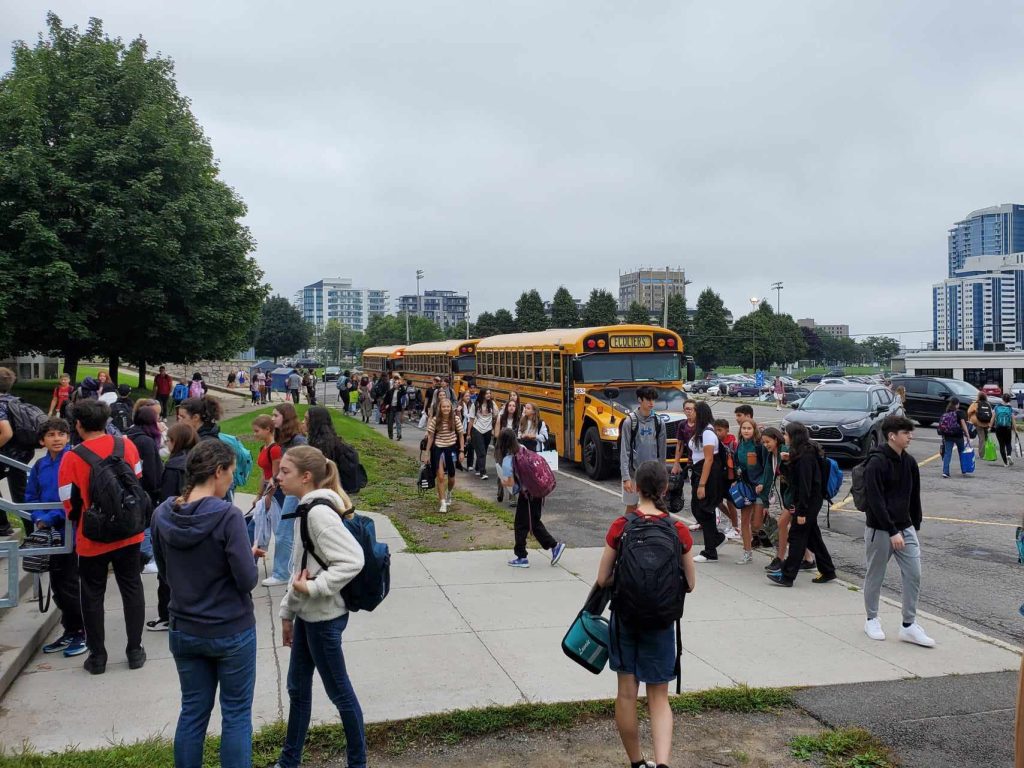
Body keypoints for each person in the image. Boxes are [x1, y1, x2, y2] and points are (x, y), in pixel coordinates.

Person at [152, 439, 260, 768]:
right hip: (231, 629)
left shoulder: (161, 514)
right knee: (237, 716)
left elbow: (165, 571)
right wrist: (248, 558)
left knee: (193, 712)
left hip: (185, 627)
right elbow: (247, 580)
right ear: (218, 471)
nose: (233, 478)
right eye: (231, 471)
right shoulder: (228, 515)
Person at [596, 460, 696, 768]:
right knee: (659, 696)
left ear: (636, 488)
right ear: (665, 488)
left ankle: (637, 763)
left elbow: (602, 579)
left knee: (627, 694)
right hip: (661, 622)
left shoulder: (621, 526)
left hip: (626, 618)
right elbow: (690, 584)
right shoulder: (677, 529)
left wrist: (626, 579)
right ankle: (662, 763)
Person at [274, 446, 367, 768]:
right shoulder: (307, 507)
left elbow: (353, 560)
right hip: (309, 615)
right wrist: (289, 612)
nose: (278, 477)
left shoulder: (317, 513)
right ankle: (289, 761)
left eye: (285, 471)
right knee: (298, 688)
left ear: (306, 476)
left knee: (340, 693)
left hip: (324, 618)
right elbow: (302, 567)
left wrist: (315, 588)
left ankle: (358, 763)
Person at [58, 399, 147, 674]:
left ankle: (97, 657)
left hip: (93, 537)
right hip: (129, 533)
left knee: (92, 593)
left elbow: (68, 504)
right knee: (131, 586)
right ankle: (134, 650)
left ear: (78, 425)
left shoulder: (73, 457)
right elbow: (137, 481)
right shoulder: (127, 446)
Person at [860, 414, 934, 647]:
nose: (910, 436)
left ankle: (908, 625)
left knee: (914, 574)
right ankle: (871, 619)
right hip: (880, 529)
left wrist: (915, 524)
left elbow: (914, 495)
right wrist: (892, 531)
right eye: (905, 433)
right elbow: (875, 500)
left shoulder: (909, 462)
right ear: (892, 436)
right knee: (876, 575)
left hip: (905, 527)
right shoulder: (876, 462)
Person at [28, 418, 86, 657]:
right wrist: (38, 518)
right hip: (49, 535)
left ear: (68, 437)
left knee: (70, 585)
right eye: (51, 435)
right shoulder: (40, 466)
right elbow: (31, 496)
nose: (57, 439)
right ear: (42, 440)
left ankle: (82, 632)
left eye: (61, 434)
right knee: (58, 587)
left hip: (70, 532)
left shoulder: (73, 460)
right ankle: (70, 629)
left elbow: (75, 498)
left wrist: (50, 517)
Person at [766, 422, 836, 587]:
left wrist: (802, 512)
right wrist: (788, 462)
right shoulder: (801, 453)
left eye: (786, 434)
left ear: (794, 436)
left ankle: (787, 575)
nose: (784, 437)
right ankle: (828, 570)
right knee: (813, 536)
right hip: (809, 500)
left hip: (808, 502)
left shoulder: (805, 456)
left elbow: (805, 486)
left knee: (797, 536)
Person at [147, 422, 199, 632]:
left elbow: (167, 500)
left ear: (176, 442)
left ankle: (168, 615)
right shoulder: (197, 461)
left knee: (167, 573)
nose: (166, 443)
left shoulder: (173, 466)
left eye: (168, 440)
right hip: (195, 521)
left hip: (176, 524)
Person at [496, 428, 565, 568]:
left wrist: (502, 479)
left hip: (526, 496)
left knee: (521, 525)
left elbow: (510, 483)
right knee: (533, 523)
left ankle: (522, 556)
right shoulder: (522, 448)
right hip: (536, 491)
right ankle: (553, 546)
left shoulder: (508, 460)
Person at [263, 402, 308, 587]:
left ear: (285, 418)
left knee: (284, 530)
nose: (272, 419)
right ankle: (286, 570)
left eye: (275, 416)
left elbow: (304, 465)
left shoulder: (298, 441)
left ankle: (282, 572)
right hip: (288, 489)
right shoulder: (283, 439)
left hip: (296, 492)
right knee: (287, 530)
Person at [760, 426, 816, 573]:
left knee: (782, 524)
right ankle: (809, 559)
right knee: (801, 531)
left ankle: (780, 558)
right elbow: (767, 477)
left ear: (776, 439)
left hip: (795, 497)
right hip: (789, 496)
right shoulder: (770, 455)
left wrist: (786, 462)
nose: (766, 445)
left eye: (768, 442)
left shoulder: (787, 452)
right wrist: (765, 499)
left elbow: (796, 479)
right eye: (764, 442)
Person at [126, 404, 164, 574]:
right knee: (147, 525)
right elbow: (151, 470)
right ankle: (146, 556)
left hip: (132, 489)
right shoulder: (146, 441)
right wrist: (157, 489)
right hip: (146, 491)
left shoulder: (129, 437)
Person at [619, 386, 667, 514]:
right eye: (648, 399)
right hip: (634, 473)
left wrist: (664, 478)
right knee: (632, 507)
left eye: (653, 400)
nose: (651, 403)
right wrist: (626, 478)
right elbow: (625, 451)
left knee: (653, 508)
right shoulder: (630, 422)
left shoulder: (659, 422)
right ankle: (626, 532)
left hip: (653, 474)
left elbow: (662, 453)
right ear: (640, 400)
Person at [689, 402, 725, 563]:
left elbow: (709, 460)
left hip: (707, 475)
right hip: (698, 472)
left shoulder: (708, 433)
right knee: (698, 509)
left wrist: (702, 485)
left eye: (694, 411)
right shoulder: (700, 431)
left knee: (704, 510)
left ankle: (710, 551)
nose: (691, 413)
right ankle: (715, 538)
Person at [0, 366, 31, 536]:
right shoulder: (14, 400)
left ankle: (3, 527)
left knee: (20, 495)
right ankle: (33, 534)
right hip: (22, 454)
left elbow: (6, 432)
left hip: (7, 455)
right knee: (20, 495)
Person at [305, 406, 362, 496]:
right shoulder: (331, 440)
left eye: (306, 419)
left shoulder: (321, 446)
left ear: (314, 422)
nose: (302, 422)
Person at [425, 398, 465, 513]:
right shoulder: (435, 420)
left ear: (451, 408)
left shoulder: (455, 419)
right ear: (440, 408)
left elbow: (461, 435)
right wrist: (427, 453)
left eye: (448, 407)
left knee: (451, 477)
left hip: (451, 448)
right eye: (444, 407)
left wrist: (461, 451)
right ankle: (442, 502)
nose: (446, 409)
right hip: (438, 449)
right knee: (441, 476)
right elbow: (431, 437)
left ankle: (449, 492)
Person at [734, 418, 765, 564]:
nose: (746, 431)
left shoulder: (759, 447)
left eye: (749, 428)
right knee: (744, 522)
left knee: (758, 523)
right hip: (745, 488)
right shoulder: (739, 445)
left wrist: (762, 483)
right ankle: (747, 552)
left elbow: (768, 468)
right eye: (743, 428)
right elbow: (737, 465)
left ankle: (781, 550)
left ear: (754, 430)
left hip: (759, 489)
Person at [713, 419, 741, 542]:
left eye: (720, 430)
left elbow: (738, 460)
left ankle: (736, 527)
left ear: (727, 430)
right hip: (719, 476)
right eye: (716, 430)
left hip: (730, 476)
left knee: (730, 502)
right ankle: (733, 520)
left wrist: (737, 477)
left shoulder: (732, 443)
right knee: (717, 501)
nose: (717, 432)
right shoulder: (714, 442)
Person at [468, 388, 498, 479]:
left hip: (488, 430)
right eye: (486, 393)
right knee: (481, 451)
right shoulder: (476, 404)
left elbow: (496, 416)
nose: (488, 395)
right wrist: (469, 433)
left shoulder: (492, 404)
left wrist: (494, 428)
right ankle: (483, 472)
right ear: (482, 394)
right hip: (477, 429)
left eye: (489, 393)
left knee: (483, 450)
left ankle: (478, 467)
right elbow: (471, 420)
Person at [938, 398, 971, 479]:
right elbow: (963, 425)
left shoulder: (946, 413)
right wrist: (967, 435)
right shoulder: (960, 413)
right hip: (958, 436)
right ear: (957, 404)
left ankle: (945, 472)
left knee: (947, 454)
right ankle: (964, 469)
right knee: (961, 453)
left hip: (948, 436)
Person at [994, 393, 1017, 467]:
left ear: (1002, 398)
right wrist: (1015, 429)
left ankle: (1005, 463)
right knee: (1008, 443)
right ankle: (1009, 455)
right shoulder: (1010, 408)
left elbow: (993, 418)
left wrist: (989, 427)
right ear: (1009, 400)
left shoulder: (997, 407)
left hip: (998, 428)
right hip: (1007, 428)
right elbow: (1013, 419)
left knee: (1001, 445)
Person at [456, 390, 475, 469]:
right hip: (461, 428)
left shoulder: (471, 405)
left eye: (469, 396)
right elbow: (458, 419)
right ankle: (458, 462)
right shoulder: (460, 405)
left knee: (470, 446)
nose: (468, 397)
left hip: (469, 427)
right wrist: (458, 412)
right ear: (462, 397)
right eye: (466, 396)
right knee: (461, 446)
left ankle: (470, 464)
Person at [385, 376, 408, 441]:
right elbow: (386, 399)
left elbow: (404, 392)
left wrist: (401, 385)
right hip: (391, 408)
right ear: (393, 384)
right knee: (390, 422)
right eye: (396, 383)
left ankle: (399, 435)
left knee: (398, 422)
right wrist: (387, 404)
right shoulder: (390, 391)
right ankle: (390, 435)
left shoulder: (400, 391)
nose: (396, 384)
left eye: (398, 383)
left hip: (397, 408)